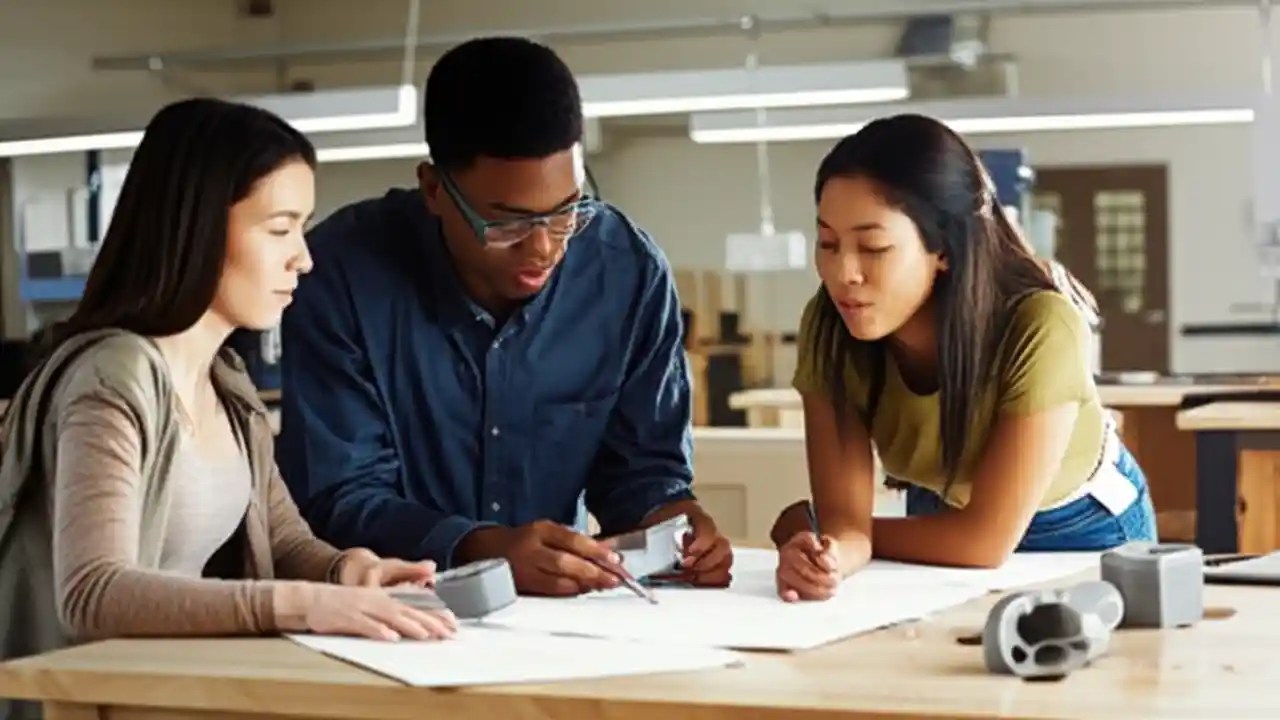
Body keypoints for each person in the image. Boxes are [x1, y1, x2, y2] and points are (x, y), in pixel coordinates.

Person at [0, 98, 457, 699]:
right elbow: (93, 591)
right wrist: (301, 604)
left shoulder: (226, 381)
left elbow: (286, 540)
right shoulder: (115, 376)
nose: (304, 256)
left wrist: (350, 572)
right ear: (198, 229)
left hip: (159, 696)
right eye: (279, 229)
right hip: (80, 703)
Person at [276, 36, 733, 596]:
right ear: (435, 190)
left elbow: (643, 474)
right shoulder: (339, 275)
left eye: (568, 212)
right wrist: (481, 550)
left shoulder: (627, 272)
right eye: (509, 224)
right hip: (389, 608)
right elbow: (337, 496)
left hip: (563, 617)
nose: (543, 248)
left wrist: (679, 524)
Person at [769, 114, 1157, 602]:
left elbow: (984, 541)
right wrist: (825, 554)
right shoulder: (829, 326)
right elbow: (847, 526)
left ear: (945, 248)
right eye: (828, 243)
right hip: (943, 516)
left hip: (1081, 525)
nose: (842, 272)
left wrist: (860, 535)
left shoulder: (1041, 323)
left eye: (873, 247)